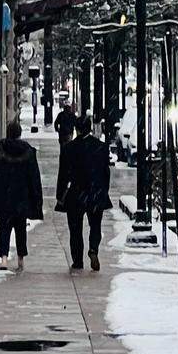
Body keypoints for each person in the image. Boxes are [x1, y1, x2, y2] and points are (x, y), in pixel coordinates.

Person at [0, 121, 43, 271]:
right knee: (20, 228)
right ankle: (20, 258)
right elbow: (34, 178)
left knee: (4, 228)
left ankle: (4, 258)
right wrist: (36, 200)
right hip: (21, 197)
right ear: (19, 133)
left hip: (4, 196)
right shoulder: (28, 152)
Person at [56, 115, 112, 271]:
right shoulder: (100, 147)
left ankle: (78, 260)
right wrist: (103, 191)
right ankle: (93, 248)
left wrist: (60, 195)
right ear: (90, 128)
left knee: (75, 230)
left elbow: (63, 174)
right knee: (95, 226)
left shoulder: (69, 148)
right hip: (95, 192)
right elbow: (105, 172)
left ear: (76, 129)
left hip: (75, 193)